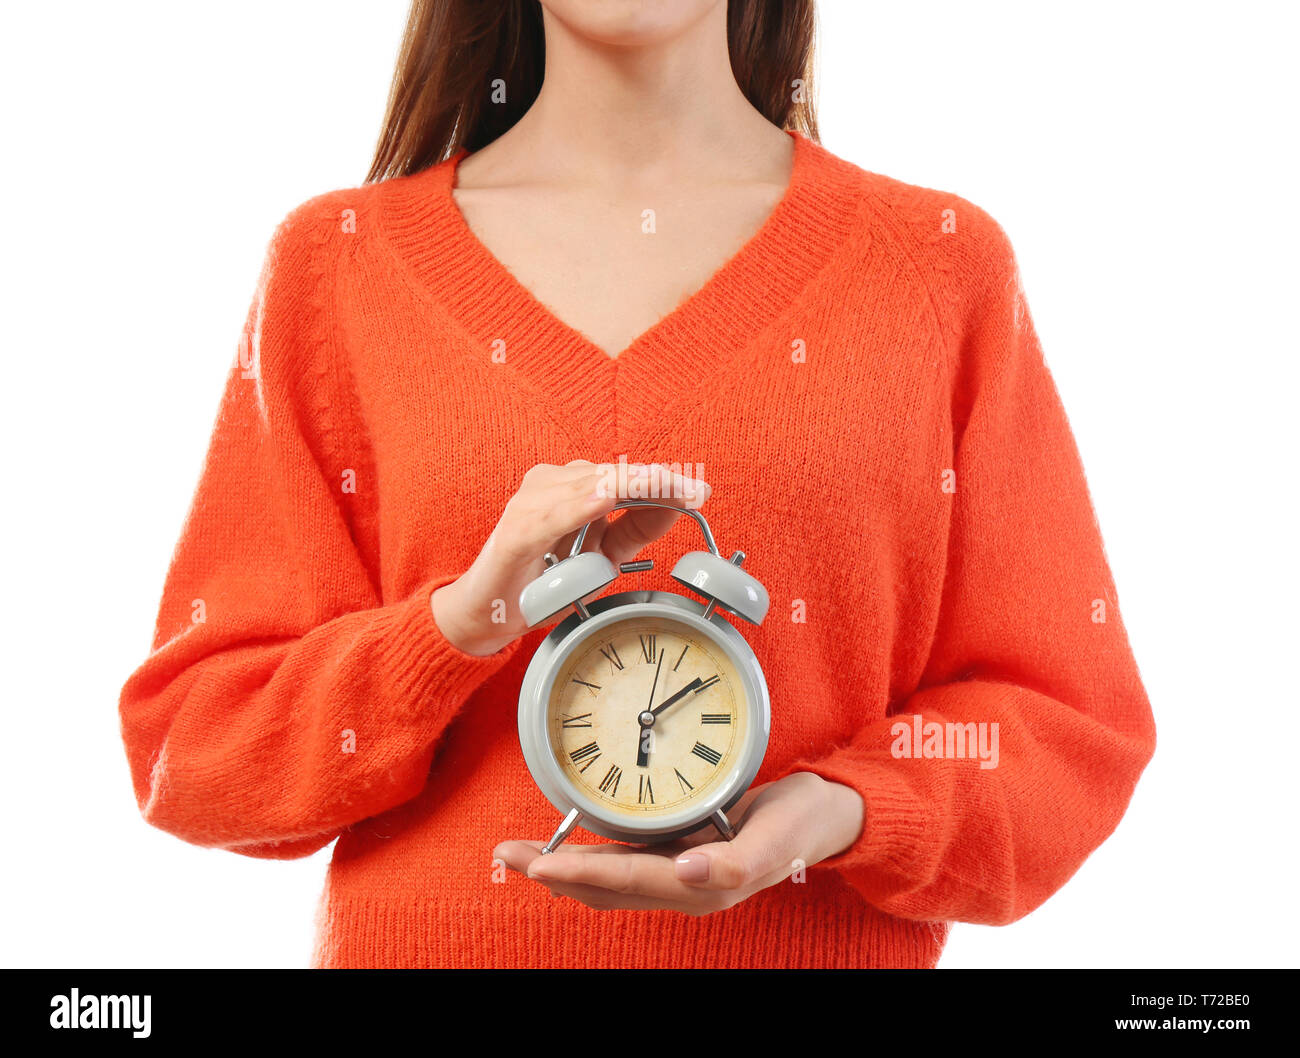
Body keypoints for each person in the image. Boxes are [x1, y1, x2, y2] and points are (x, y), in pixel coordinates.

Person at [118, 0, 1156, 969]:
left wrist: (846, 808)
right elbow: (196, 743)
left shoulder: (937, 267)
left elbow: (1067, 729)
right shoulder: (336, 265)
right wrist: (454, 628)